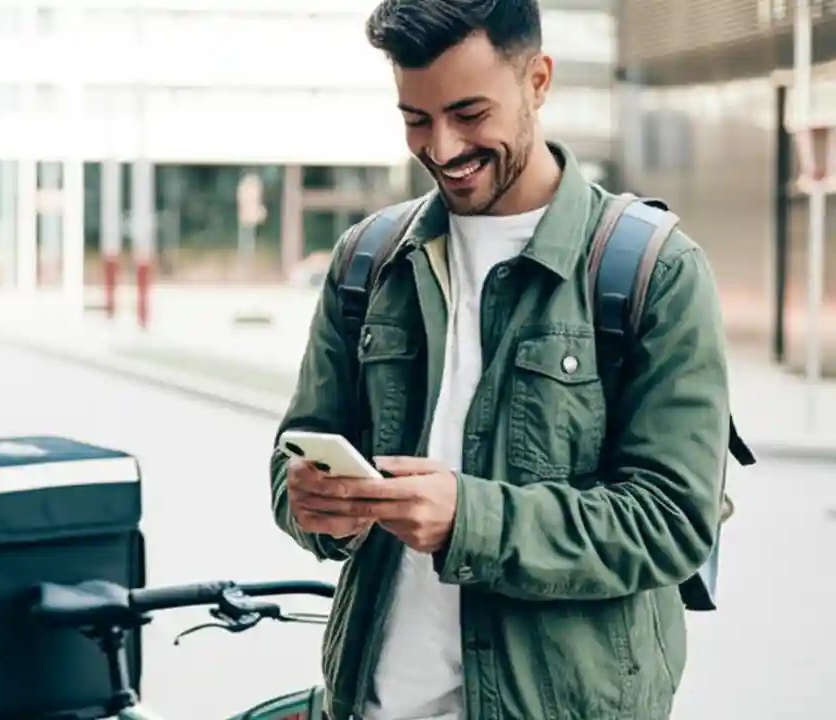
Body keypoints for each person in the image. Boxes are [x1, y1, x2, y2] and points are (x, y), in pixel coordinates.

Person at [268, 2, 732, 719]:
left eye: (469, 113)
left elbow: (671, 520)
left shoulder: (654, 270)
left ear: (538, 81)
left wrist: (471, 520)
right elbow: (295, 453)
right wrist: (313, 506)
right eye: (416, 119)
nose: (442, 147)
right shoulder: (367, 261)